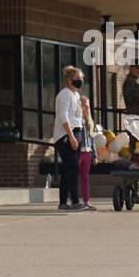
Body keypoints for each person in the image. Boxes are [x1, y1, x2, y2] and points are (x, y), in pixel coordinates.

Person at [53, 65, 89, 211]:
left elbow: (77, 117)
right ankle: (75, 201)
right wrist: (71, 136)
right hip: (66, 135)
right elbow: (63, 116)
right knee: (73, 168)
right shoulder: (65, 94)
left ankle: (63, 202)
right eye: (78, 79)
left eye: (82, 79)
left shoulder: (76, 95)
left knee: (69, 169)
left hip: (77, 133)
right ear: (69, 80)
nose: (81, 81)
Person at [78, 93, 97, 211]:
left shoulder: (89, 123)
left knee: (85, 178)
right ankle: (74, 200)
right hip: (78, 152)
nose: (87, 108)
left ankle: (86, 201)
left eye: (88, 105)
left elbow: (92, 139)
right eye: (84, 105)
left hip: (87, 153)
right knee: (74, 177)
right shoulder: (76, 121)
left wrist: (94, 155)